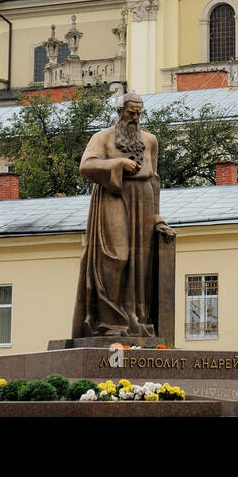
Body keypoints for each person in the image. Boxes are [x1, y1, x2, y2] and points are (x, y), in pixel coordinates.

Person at [70, 92, 175, 339]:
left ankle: (133, 319)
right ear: (120, 112)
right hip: (113, 196)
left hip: (143, 200)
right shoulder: (103, 137)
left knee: (140, 262)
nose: (135, 118)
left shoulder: (150, 140)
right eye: (131, 113)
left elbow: (154, 179)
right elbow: (86, 166)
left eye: (139, 113)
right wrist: (117, 165)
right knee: (116, 255)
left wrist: (157, 217)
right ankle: (108, 322)